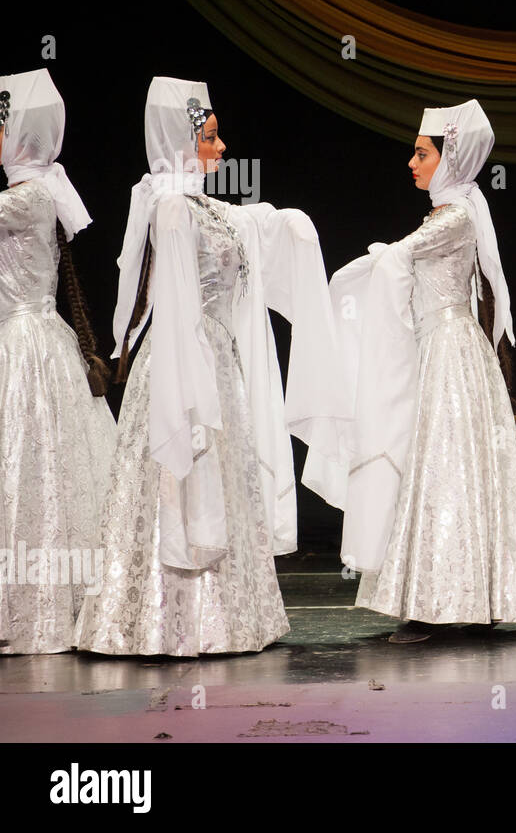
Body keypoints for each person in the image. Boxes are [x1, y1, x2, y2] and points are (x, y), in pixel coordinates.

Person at [75, 76, 338, 655]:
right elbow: (174, 307)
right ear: (181, 140)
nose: (222, 149)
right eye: (211, 138)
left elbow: (244, 223)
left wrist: (287, 221)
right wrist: (192, 386)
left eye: (219, 137)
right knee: (179, 479)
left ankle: (223, 614)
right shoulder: (170, 209)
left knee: (220, 477)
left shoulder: (197, 205)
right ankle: (168, 620)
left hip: (217, 363)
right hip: (182, 363)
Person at [304, 100, 516, 643]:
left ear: (448, 159)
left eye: (421, 153)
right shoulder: (447, 212)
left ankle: (440, 602)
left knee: (444, 468)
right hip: (440, 346)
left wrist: (355, 271)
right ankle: (442, 597)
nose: (411, 163)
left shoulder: (456, 216)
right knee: (440, 470)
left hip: (450, 351)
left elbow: (398, 258)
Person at [0, 68, 116, 654]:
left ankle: (39, 604)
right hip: (24, 337)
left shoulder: (32, 195)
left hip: (28, 346)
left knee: (35, 469)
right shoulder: (34, 192)